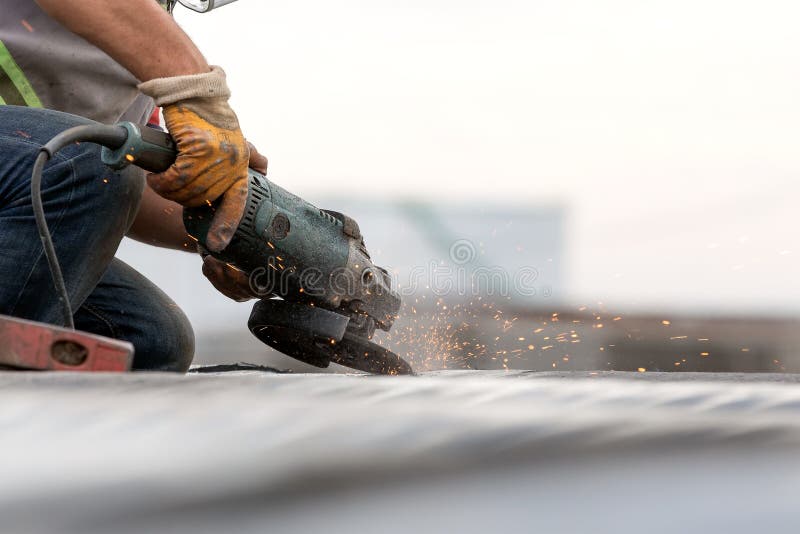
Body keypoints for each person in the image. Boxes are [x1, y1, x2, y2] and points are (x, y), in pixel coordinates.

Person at [0, 0, 263, 371]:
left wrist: (240, 231)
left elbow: (112, 177)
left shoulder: (135, 42)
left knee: (150, 338)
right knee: (80, 159)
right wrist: (196, 89)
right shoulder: (139, 34)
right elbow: (77, 166)